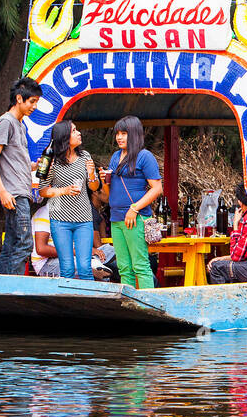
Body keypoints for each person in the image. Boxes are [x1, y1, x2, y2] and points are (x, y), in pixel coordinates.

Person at [0, 77, 42, 275]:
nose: (34, 106)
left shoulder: (20, 125)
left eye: (36, 102)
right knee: (24, 244)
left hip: (19, 191)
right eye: (32, 101)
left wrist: (34, 166)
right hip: (14, 194)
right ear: (19, 99)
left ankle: (3, 288)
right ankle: (12, 288)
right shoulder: (6, 122)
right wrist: (2, 191)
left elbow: (13, 159)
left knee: (11, 244)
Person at [99, 115, 162, 288]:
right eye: (117, 133)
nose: (119, 137)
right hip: (116, 217)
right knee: (124, 267)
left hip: (135, 217)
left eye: (124, 133)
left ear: (134, 134)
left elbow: (157, 189)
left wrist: (134, 208)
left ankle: (148, 306)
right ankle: (129, 306)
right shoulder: (115, 156)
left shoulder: (144, 156)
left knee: (140, 265)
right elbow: (108, 194)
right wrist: (104, 180)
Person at [40, 120, 99, 280]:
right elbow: (43, 191)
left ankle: (90, 303)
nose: (79, 133)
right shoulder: (52, 160)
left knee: (85, 268)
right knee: (66, 269)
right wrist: (64, 191)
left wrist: (92, 174)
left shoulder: (84, 156)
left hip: (84, 219)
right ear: (64, 137)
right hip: (60, 220)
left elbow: (94, 187)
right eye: (74, 131)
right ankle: (69, 303)